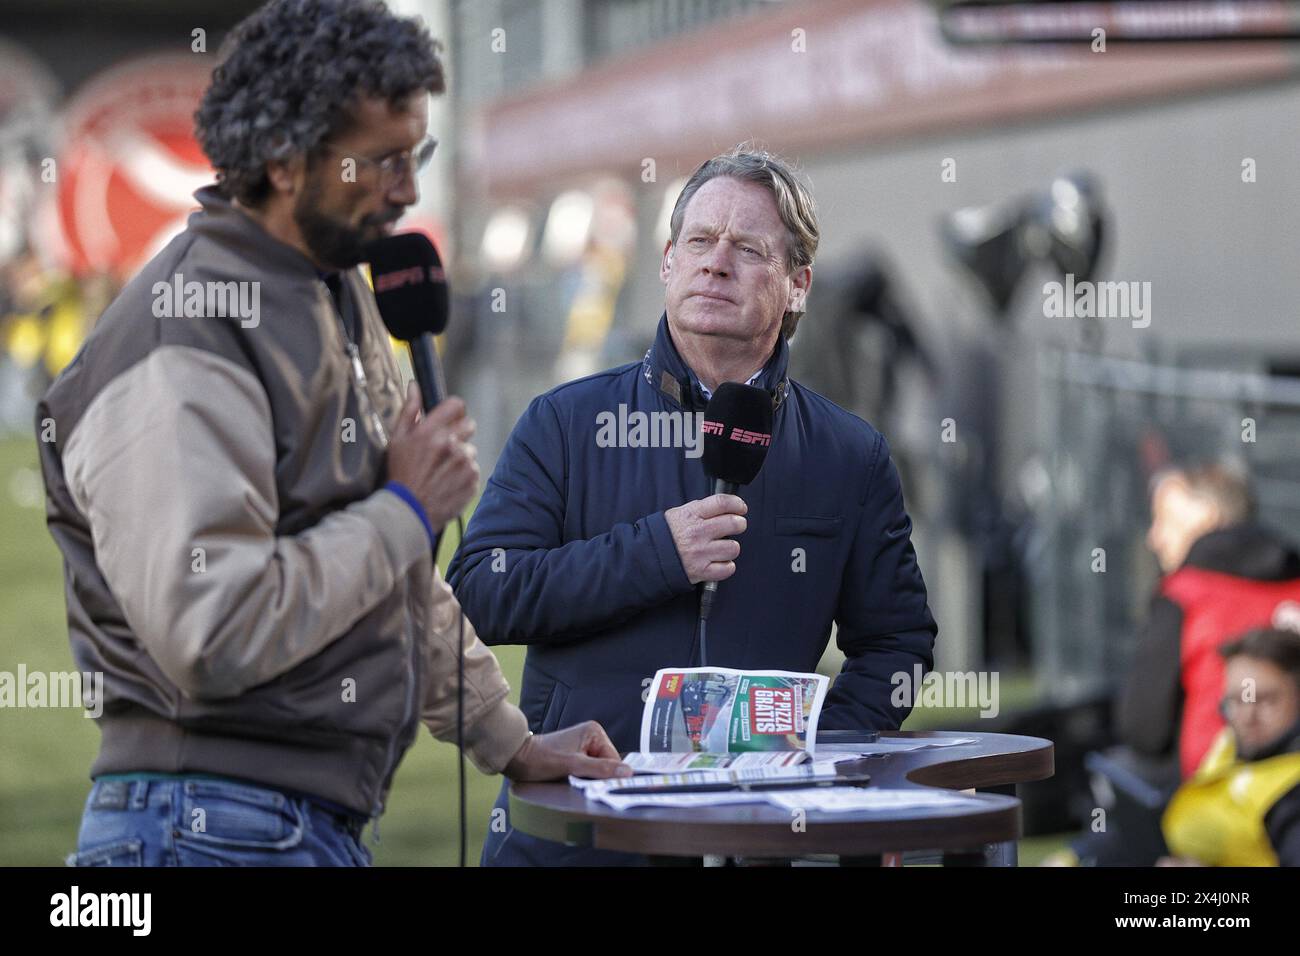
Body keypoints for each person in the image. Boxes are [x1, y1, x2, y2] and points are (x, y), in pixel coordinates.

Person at [36, 0, 626, 868]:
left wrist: (509, 739)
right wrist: (404, 508)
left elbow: (395, 572)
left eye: (415, 156)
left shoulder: (335, 292)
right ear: (283, 158)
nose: (410, 189)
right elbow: (214, 629)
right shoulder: (190, 327)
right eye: (383, 160)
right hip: (201, 828)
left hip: (293, 825)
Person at [448, 145, 938, 866]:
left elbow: (897, 644)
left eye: (747, 248)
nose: (716, 262)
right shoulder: (566, 421)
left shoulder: (849, 455)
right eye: (700, 242)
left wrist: (812, 748)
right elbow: (479, 592)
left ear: (799, 285)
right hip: (575, 837)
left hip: (759, 839)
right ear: (668, 264)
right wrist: (655, 555)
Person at [1047, 460, 1300, 866]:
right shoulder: (1291, 580)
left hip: (1231, 795)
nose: (1153, 538)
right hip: (1262, 787)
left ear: (1208, 517)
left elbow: (1143, 729)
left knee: (1112, 777)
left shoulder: (1186, 593)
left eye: (1165, 519)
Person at [1160, 628, 1300, 866]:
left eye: (1265, 700)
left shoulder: (1293, 798)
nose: (1247, 717)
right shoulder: (1231, 745)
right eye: (1236, 700)